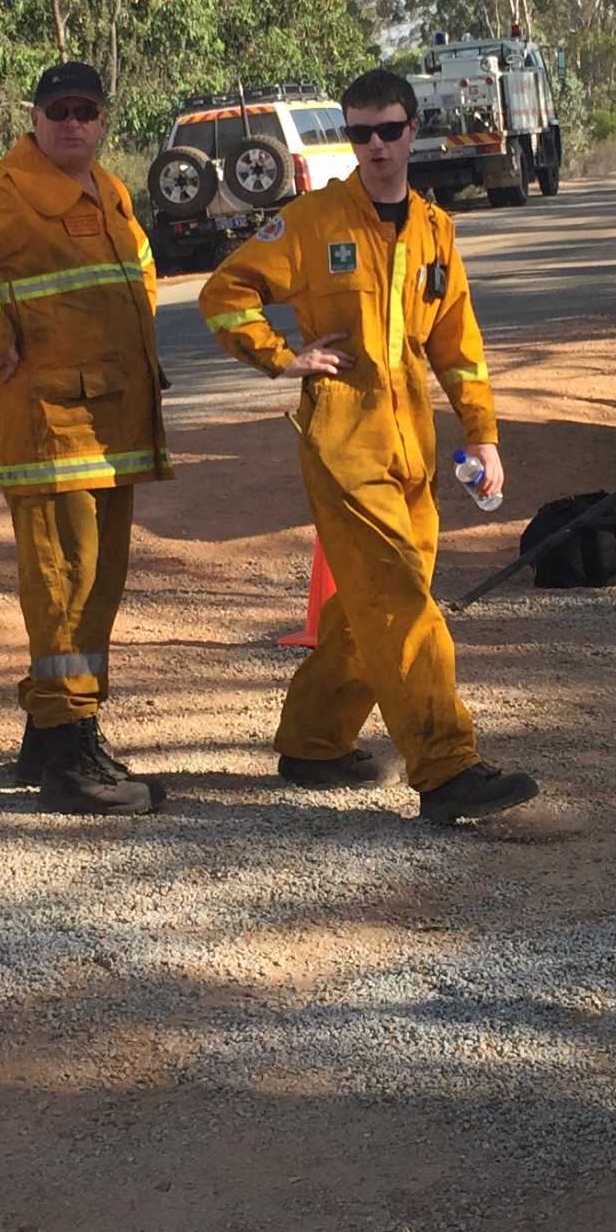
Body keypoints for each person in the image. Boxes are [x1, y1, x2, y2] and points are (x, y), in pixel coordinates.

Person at [199, 68, 537, 825]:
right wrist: (279, 355)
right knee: (403, 602)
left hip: (411, 443)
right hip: (343, 443)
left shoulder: (435, 230)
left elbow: (458, 346)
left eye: (388, 129)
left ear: (415, 129)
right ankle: (447, 767)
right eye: (360, 133)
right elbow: (225, 293)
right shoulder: (313, 222)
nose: (375, 145)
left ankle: (314, 741)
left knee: (367, 602)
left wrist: (482, 435)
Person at [0, 61, 170, 815]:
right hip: (52, 432)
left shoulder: (109, 190)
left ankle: (46, 734)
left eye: (85, 110)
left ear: (103, 118)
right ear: (37, 116)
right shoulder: (10, 192)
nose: (72, 123)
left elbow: (141, 271)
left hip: (111, 427)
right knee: (66, 588)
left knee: (96, 584)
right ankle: (68, 754)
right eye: (58, 110)